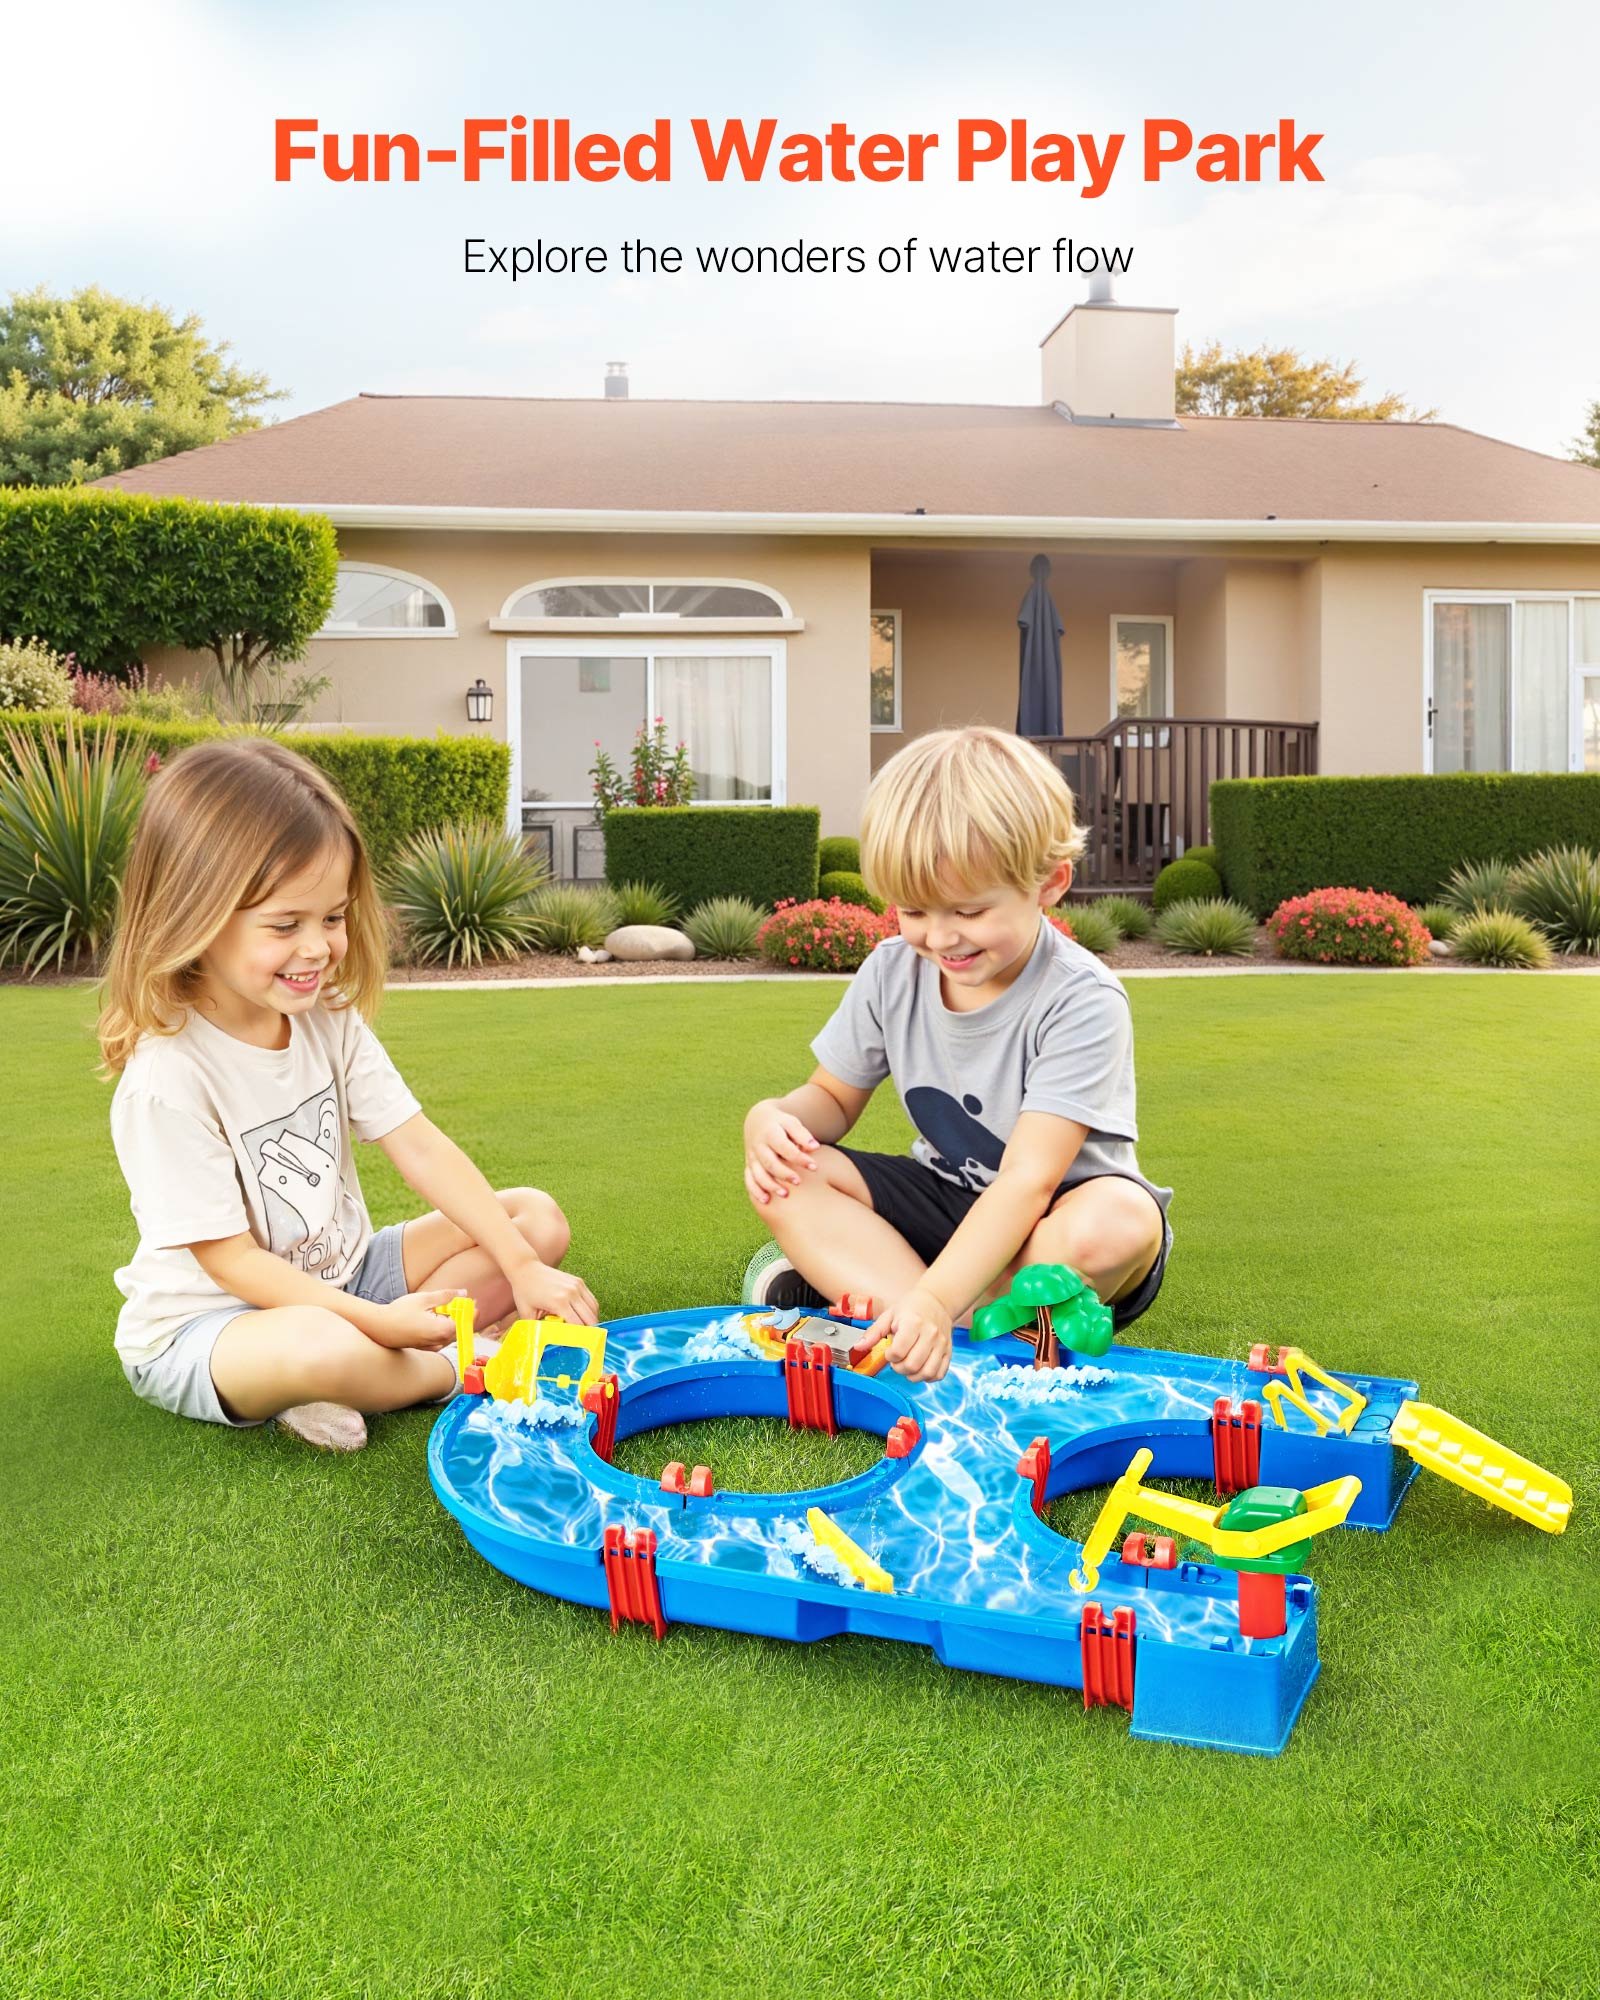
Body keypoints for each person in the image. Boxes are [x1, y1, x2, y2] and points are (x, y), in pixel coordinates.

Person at [99, 736, 596, 1452]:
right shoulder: (168, 1079)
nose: (318, 948)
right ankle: (448, 1366)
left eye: (331, 918)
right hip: (217, 1326)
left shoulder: (324, 1015)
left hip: (348, 1274)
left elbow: (417, 1144)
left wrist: (521, 1267)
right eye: (285, 925)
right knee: (315, 1346)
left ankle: (370, 1367)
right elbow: (232, 1262)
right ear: (195, 917)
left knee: (533, 1221)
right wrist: (380, 1324)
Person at [741, 726, 1170, 1384]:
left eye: (968, 911)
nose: (940, 938)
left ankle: (913, 1309)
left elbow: (1028, 1181)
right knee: (789, 1175)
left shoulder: (1082, 999)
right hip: (948, 1204)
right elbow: (830, 1098)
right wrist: (772, 1118)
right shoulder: (892, 971)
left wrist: (938, 1298)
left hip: (1053, 1221)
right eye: (914, 910)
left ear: (1050, 883)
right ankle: (942, 1322)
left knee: (1120, 1222)